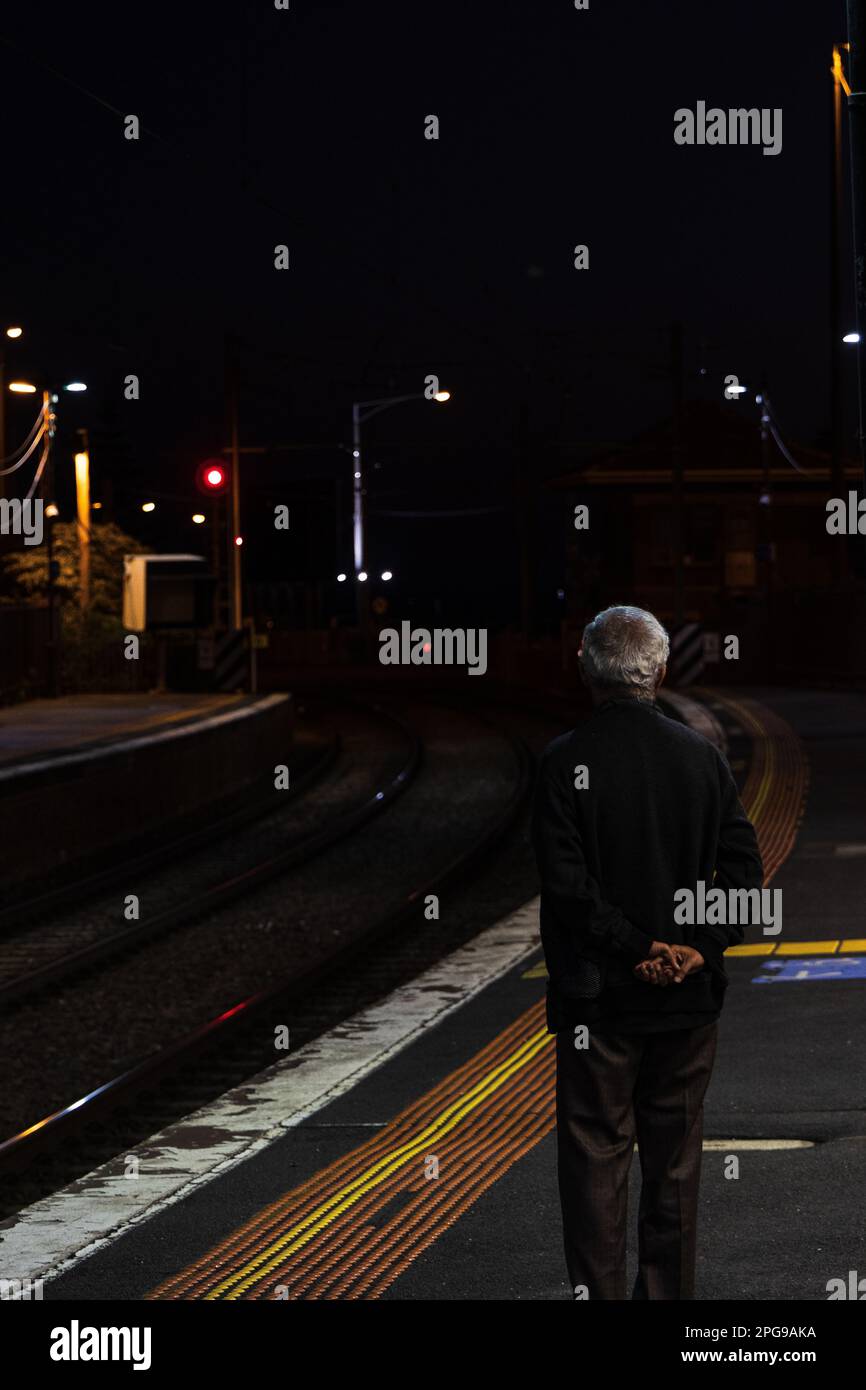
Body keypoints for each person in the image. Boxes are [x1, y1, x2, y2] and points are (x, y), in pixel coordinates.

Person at [531, 605, 763, 1300]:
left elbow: (568, 889)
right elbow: (744, 877)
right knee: (676, 1167)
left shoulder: (563, 762)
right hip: (685, 1006)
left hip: (596, 1003)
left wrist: (635, 948)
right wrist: (697, 948)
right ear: (661, 671)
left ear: (584, 669)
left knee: (596, 1160)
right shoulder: (701, 758)